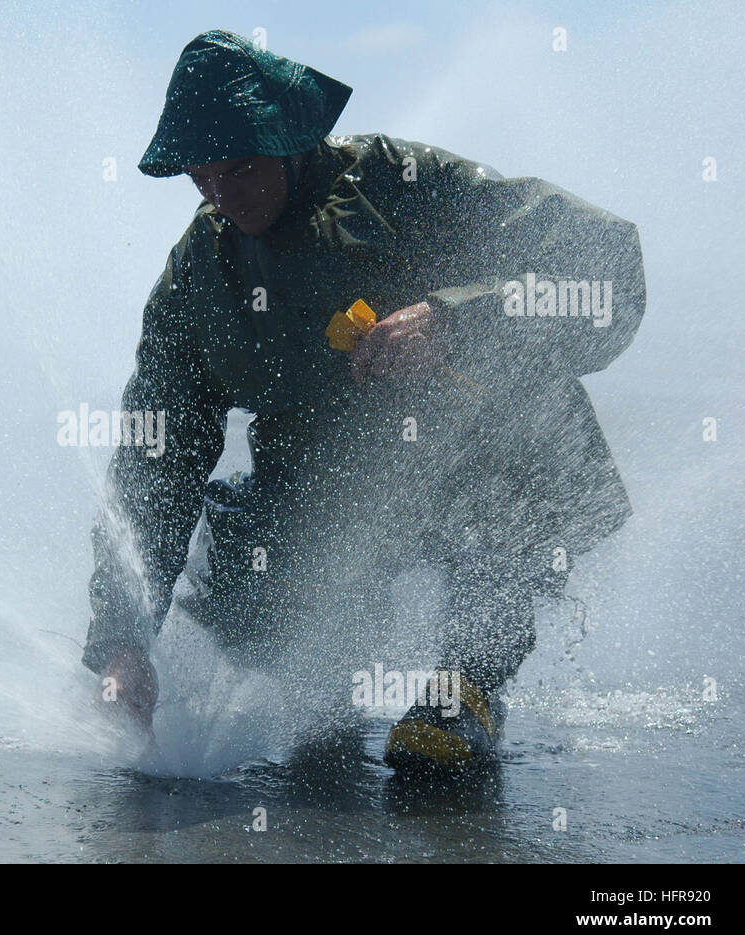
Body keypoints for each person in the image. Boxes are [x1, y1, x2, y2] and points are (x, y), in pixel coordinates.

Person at [83, 30, 644, 772]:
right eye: (202, 177)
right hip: (328, 495)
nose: (223, 195)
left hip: (491, 460)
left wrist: (460, 320)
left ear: (285, 139)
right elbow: (157, 460)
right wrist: (124, 641)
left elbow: (605, 272)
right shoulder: (201, 280)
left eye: (242, 169)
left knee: (437, 737)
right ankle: (327, 697)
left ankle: (467, 687)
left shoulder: (404, 183)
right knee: (311, 717)